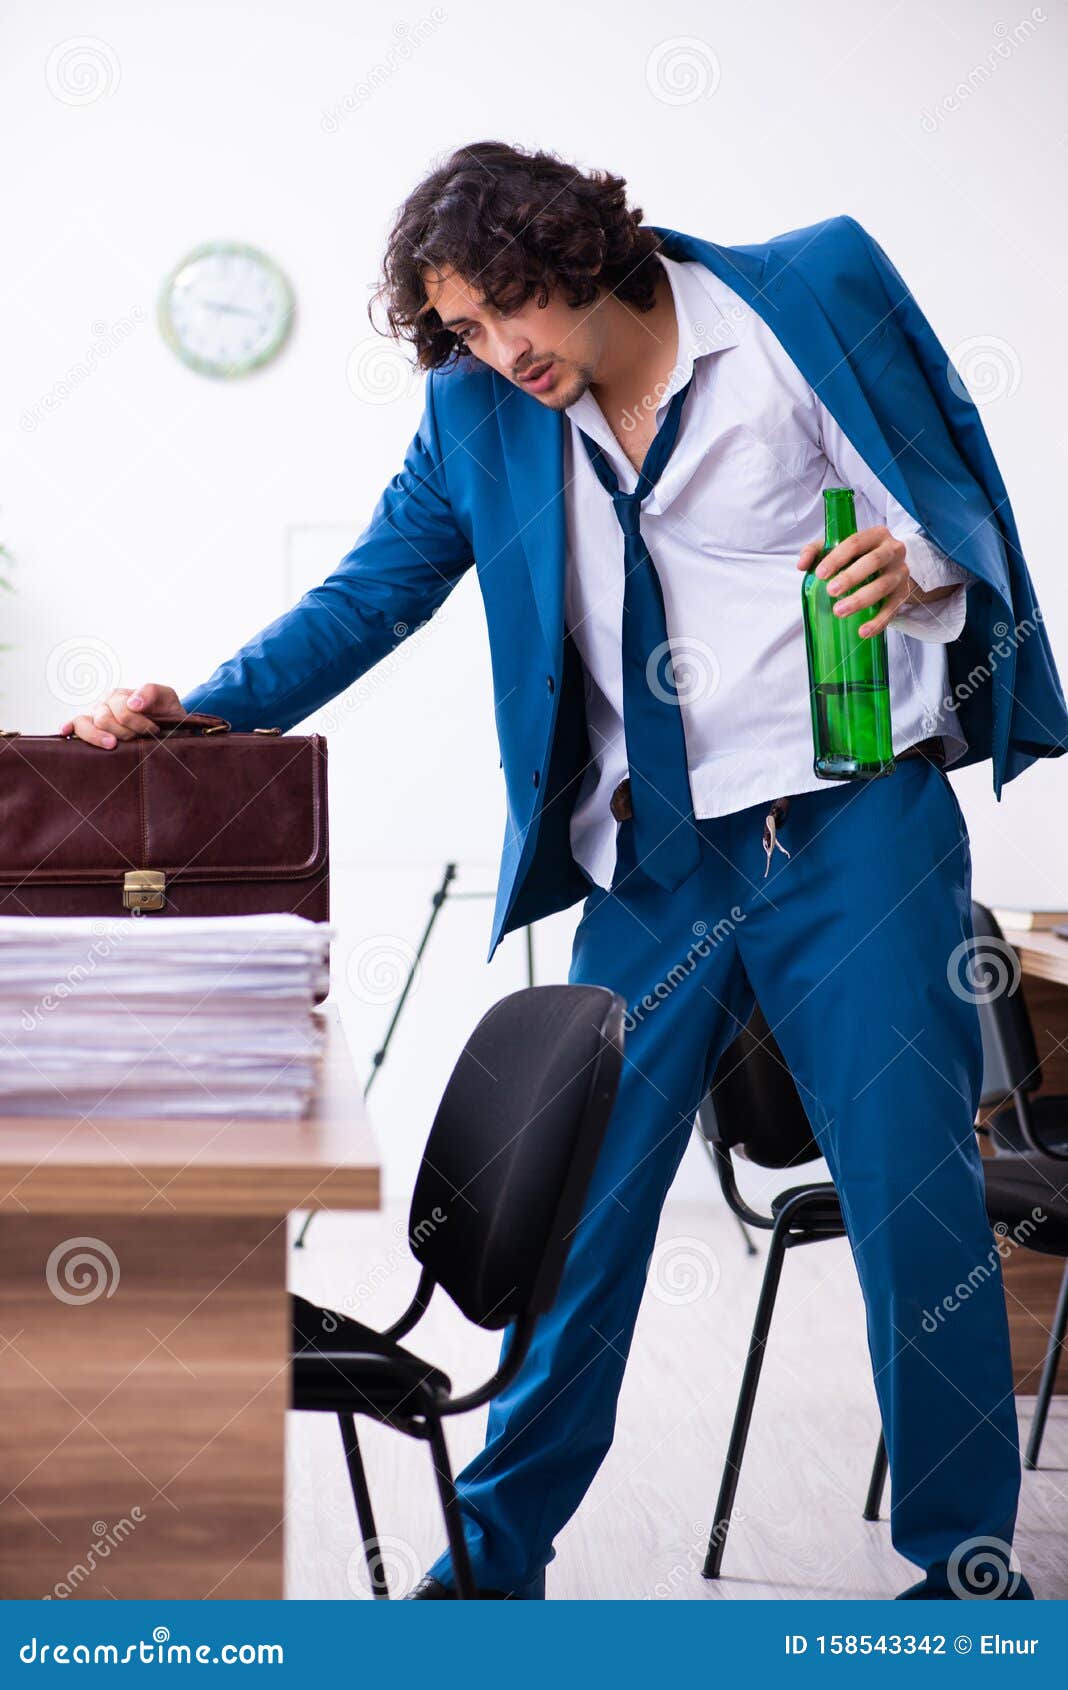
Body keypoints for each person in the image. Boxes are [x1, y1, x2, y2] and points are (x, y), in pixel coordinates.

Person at [62, 141, 1067, 1600]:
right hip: (652, 861)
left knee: (916, 1208)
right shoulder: (480, 415)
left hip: (857, 830)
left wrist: (921, 561)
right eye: (462, 330)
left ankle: (968, 1568)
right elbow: (374, 590)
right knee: (573, 1216)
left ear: (583, 249)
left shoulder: (807, 292)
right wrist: (202, 716)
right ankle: (494, 1558)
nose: (495, 352)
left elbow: (953, 487)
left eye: (506, 311)